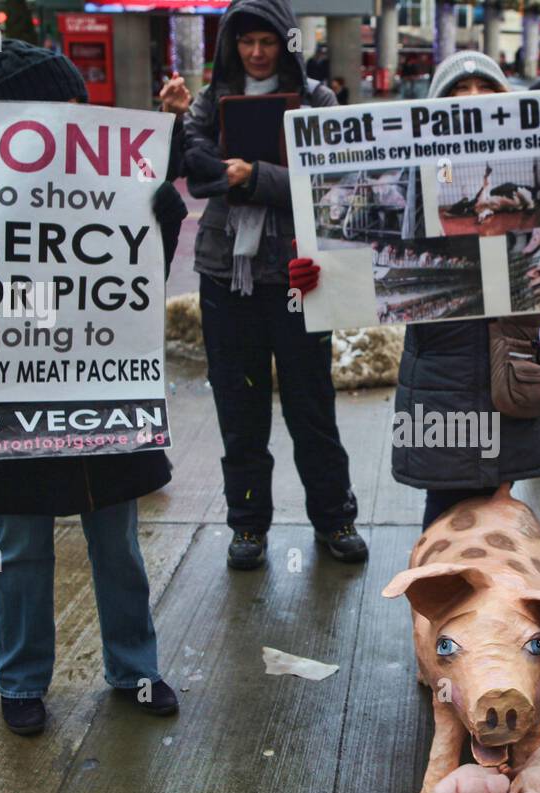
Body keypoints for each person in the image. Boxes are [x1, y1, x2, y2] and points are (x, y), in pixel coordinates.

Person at [0, 39, 190, 735]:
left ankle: (135, 669)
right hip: (16, 393)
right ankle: (21, 682)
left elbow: (133, 291)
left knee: (117, 542)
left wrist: (160, 216)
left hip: (96, 391)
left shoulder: (104, 179)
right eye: (63, 103)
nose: (78, 114)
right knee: (21, 547)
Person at [290, 51, 540, 529]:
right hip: (442, 369)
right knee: (446, 510)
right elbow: (370, 262)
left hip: (516, 362)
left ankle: (493, 602)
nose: (472, 102)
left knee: (502, 506)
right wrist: (318, 274)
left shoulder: (539, 180)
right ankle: (441, 602)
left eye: (486, 92)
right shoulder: (412, 177)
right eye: (459, 93)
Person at [183, 0, 365, 570]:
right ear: (230, 45)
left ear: (286, 43)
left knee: (312, 408)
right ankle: (247, 527)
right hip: (225, 276)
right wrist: (185, 135)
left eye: (268, 41)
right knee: (240, 411)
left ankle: (335, 518)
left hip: (296, 277)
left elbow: (333, 183)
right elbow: (194, 171)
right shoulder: (209, 102)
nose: (257, 53)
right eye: (246, 42)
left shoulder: (318, 101)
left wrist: (253, 176)